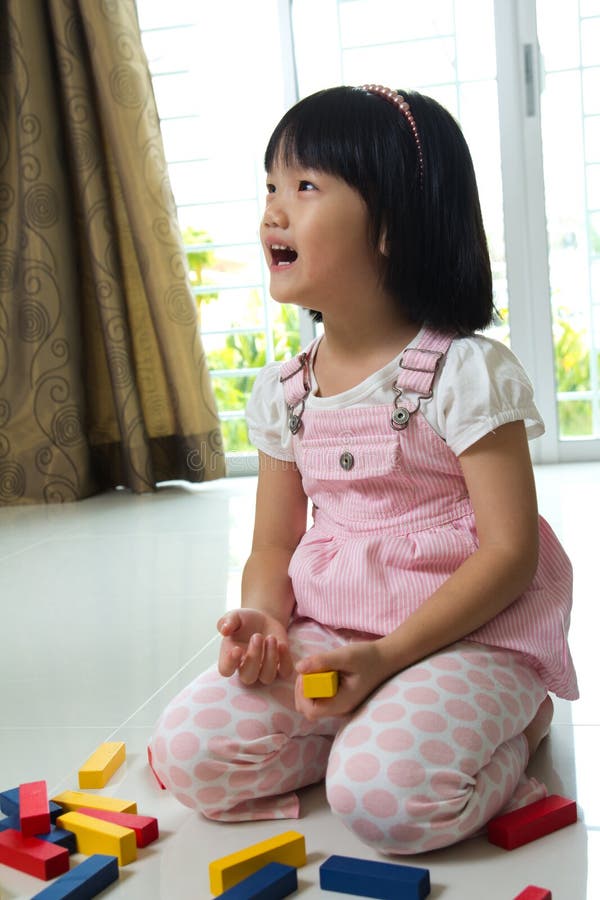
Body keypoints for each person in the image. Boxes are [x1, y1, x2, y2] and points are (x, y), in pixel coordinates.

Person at [149, 85, 578, 854]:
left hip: (467, 639)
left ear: (392, 224)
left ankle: (517, 723)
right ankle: (359, 718)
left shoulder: (467, 373)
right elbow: (274, 546)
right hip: (334, 636)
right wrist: (266, 621)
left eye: (306, 187)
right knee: (186, 755)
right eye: (271, 187)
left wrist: (387, 659)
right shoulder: (284, 390)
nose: (273, 212)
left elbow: (511, 558)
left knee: (383, 801)